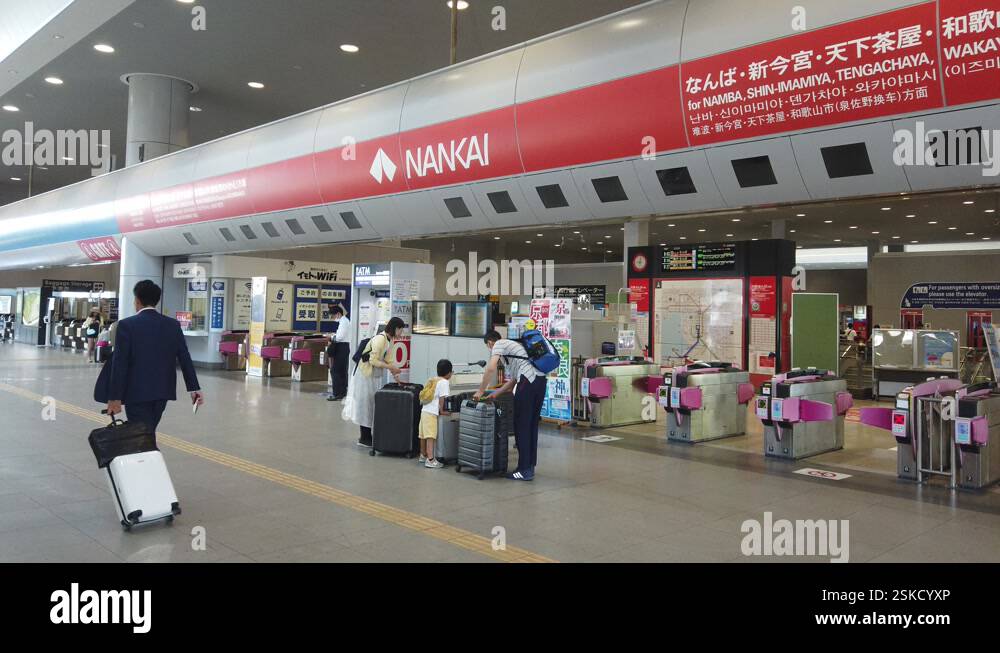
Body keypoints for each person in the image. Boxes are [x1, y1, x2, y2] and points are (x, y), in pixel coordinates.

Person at [105, 280, 204, 433]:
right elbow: (184, 357)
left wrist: (114, 397)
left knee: (142, 435)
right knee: (147, 431)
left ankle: (148, 456)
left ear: (137, 300)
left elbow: (120, 363)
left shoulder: (127, 325)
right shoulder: (172, 325)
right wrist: (194, 388)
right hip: (162, 391)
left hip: (135, 393)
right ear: (156, 301)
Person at [475, 330, 546, 481]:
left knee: (521, 425)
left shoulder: (499, 344)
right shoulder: (514, 348)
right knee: (531, 425)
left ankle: (524, 469)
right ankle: (529, 466)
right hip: (539, 382)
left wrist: (480, 391)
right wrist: (496, 393)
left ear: (490, 343)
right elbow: (513, 380)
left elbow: (490, 368)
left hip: (527, 383)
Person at [350, 317, 403, 447]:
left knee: (371, 404)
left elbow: (389, 359)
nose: (401, 333)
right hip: (364, 375)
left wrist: (395, 374)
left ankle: (368, 435)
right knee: (366, 405)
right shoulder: (380, 339)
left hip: (372, 376)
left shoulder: (389, 341)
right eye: (401, 330)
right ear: (395, 328)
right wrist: (390, 367)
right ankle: (364, 437)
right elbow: (373, 360)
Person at [418, 359, 453, 469]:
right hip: (431, 413)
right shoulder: (444, 382)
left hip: (424, 411)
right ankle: (431, 460)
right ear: (448, 373)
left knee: (422, 435)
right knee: (431, 437)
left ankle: (423, 455)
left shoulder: (433, 379)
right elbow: (442, 398)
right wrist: (442, 411)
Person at [326, 305, 351, 401]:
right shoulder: (344, 321)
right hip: (344, 347)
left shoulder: (344, 322)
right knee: (341, 371)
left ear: (338, 314)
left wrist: (331, 337)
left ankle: (336, 394)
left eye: (333, 316)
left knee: (335, 371)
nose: (333, 318)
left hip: (342, 347)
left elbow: (339, 337)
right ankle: (342, 393)